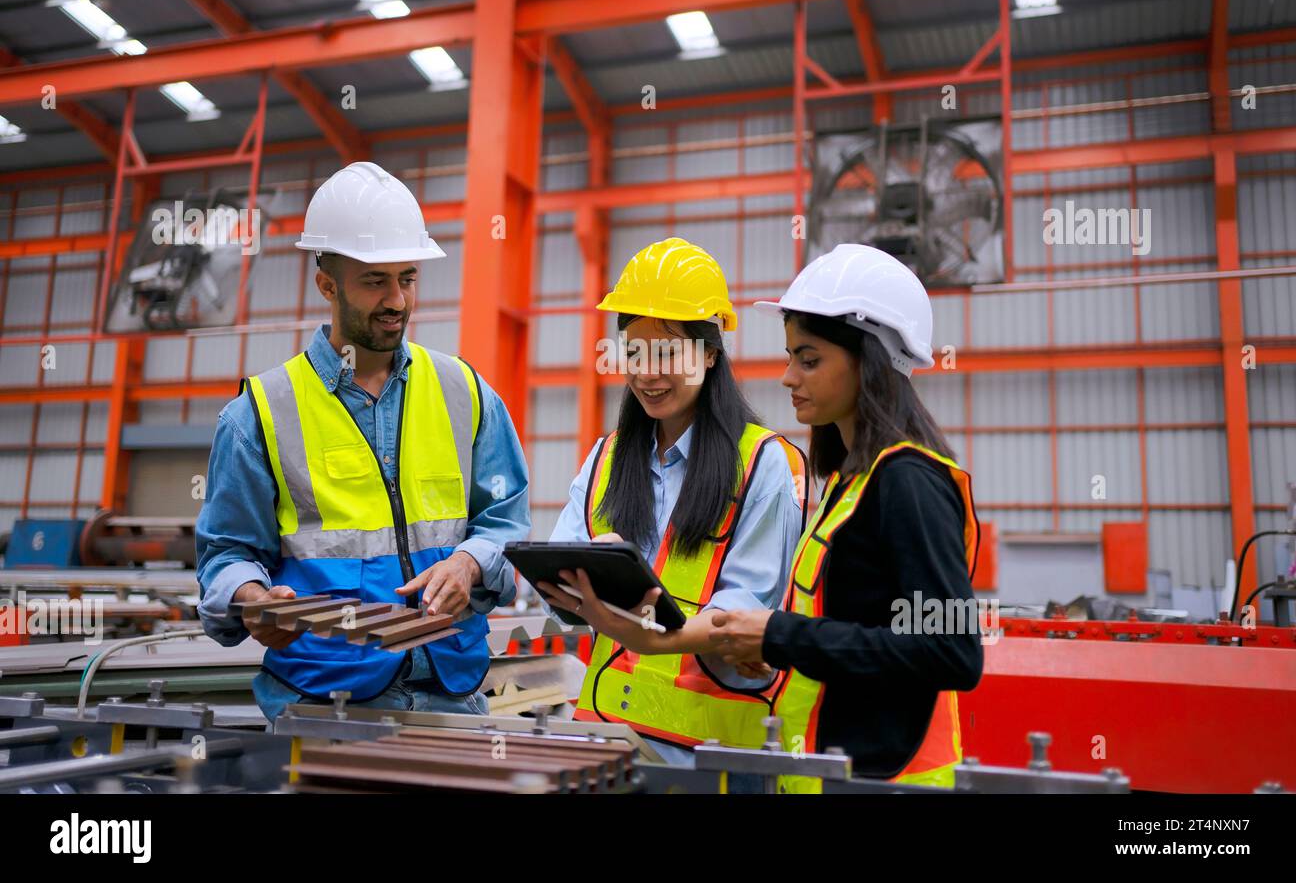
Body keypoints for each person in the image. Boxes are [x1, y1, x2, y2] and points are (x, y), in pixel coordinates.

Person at [195, 162, 530, 722]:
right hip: (323, 707)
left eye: (409, 277)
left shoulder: (465, 393)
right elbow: (226, 553)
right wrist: (252, 600)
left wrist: (470, 562)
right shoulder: (260, 415)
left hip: (454, 696)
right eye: (375, 280)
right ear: (327, 284)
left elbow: (505, 523)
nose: (397, 300)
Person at [709, 242, 984, 792]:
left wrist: (782, 635)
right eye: (791, 357)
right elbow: (857, 632)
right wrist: (773, 649)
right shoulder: (850, 482)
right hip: (831, 776)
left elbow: (951, 651)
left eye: (809, 359)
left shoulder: (907, 482)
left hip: (890, 780)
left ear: (871, 363)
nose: (788, 377)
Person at [537, 238, 808, 768]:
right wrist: (589, 578)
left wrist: (647, 622)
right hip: (605, 746)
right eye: (634, 352)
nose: (648, 373)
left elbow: (746, 612)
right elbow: (554, 581)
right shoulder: (606, 459)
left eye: (669, 352)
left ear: (710, 354)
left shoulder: (764, 464)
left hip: (713, 759)